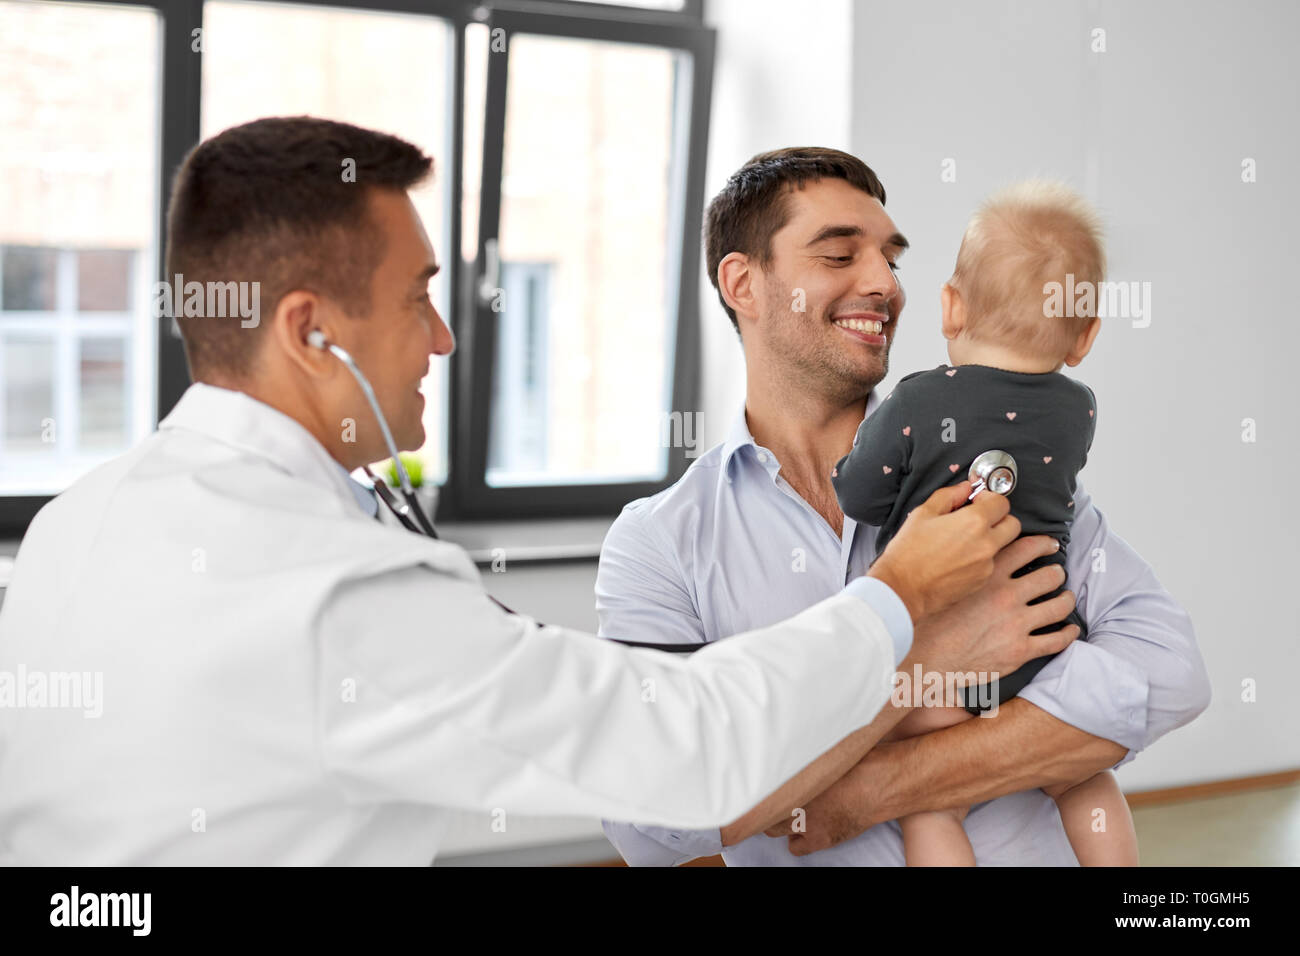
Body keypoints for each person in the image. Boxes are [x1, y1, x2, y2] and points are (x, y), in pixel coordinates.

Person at [0, 118, 1032, 865]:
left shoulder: (75, 521)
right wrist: (899, 603)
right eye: (418, 299)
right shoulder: (332, 590)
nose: (442, 337)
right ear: (312, 333)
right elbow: (686, 757)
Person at [596, 148, 1210, 866]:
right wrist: (926, 660)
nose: (883, 283)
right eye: (838, 256)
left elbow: (1172, 675)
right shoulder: (660, 542)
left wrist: (874, 787)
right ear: (744, 284)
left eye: (893, 258)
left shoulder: (993, 478)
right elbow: (650, 819)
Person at [831, 180, 1138, 865]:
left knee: (931, 801)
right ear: (1085, 335)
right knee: (1086, 778)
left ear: (951, 306)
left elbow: (860, 495)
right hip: (1048, 635)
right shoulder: (1078, 409)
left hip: (942, 646)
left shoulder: (919, 399)